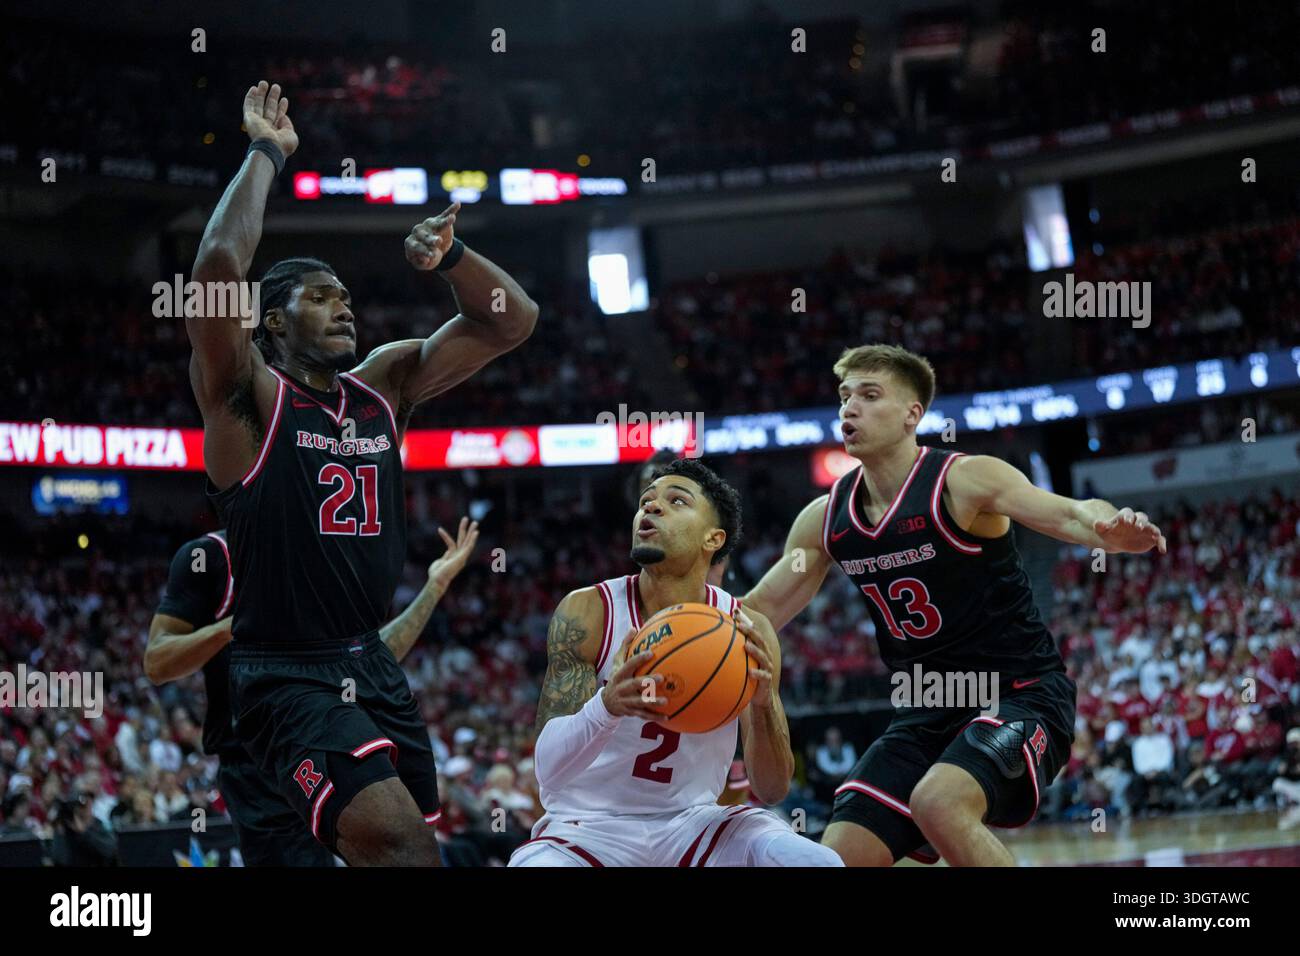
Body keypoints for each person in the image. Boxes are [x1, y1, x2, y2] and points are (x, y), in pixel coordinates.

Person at [184, 80, 534, 865]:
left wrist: (455, 258)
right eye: (320, 297)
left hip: (369, 660)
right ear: (274, 322)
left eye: (346, 296)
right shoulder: (245, 400)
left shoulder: (383, 387)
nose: (345, 306)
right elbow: (214, 265)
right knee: (404, 845)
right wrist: (268, 153)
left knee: (409, 848)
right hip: (286, 674)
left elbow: (512, 322)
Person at [742, 344, 1166, 866]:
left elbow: (1072, 514)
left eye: (870, 395)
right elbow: (756, 611)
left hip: (1021, 696)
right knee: (839, 856)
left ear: (911, 415)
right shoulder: (824, 517)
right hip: (922, 711)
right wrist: (671, 622)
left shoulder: (965, 480)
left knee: (939, 802)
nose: (849, 408)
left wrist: (1109, 529)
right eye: (845, 396)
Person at [510, 459, 841, 867]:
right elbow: (548, 772)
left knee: (818, 862)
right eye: (646, 501)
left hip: (694, 826)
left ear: (712, 539)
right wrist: (606, 706)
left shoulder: (748, 628)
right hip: (587, 830)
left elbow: (772, 790)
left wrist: (762, 704)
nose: (651, 508)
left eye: (676, 500)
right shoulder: (589, 611)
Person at [146, 519, 478, 864]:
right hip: (256, 764)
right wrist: (238, 625)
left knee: (405, 851)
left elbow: (368, 661)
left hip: (321, 739)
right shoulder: (211, 556)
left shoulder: (323, 560)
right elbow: (157, 662)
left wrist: (434, 588)